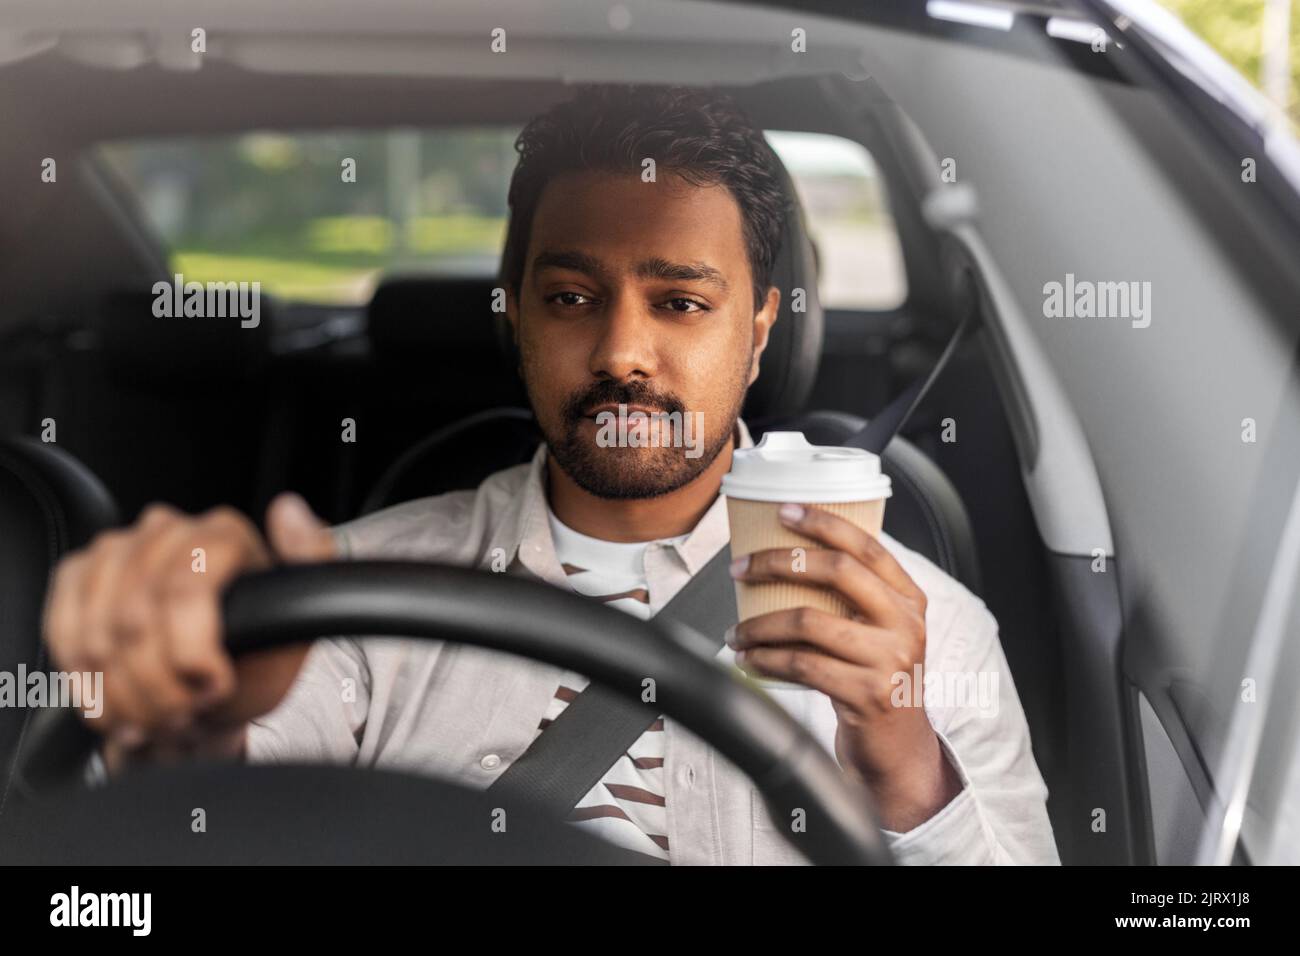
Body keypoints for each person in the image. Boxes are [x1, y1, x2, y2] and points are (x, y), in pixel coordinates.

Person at [43, 85, 1059, 865]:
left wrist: (905, 763)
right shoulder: (347, 592)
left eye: (680, 302)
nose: (623, 350)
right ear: (515, 316)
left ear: (758, 331)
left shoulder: (921, 631)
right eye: (572, 297)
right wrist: (194, 715)